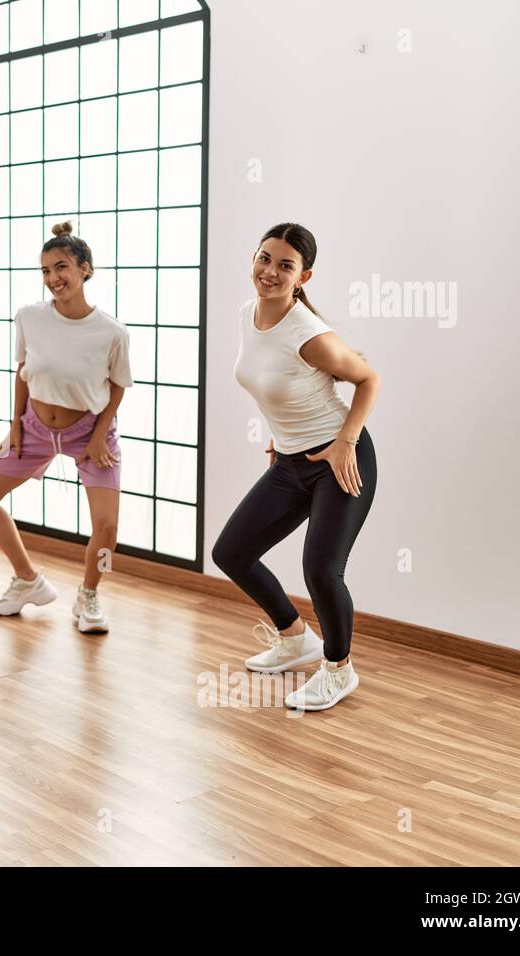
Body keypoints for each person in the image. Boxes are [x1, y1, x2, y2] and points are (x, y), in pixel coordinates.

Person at [211, 223, 381, 711]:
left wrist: (346, 442)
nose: (270, 271)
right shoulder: (248, 315)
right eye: (264, 258)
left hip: (339, 461)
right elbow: (275, 382)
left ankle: (338, 669)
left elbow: (368, 379)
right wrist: (279, 435)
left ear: (303, 276)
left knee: (322, 571)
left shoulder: (309, 333)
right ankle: (294, 637)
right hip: (291, 462)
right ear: (254, 258)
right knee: (232, 553)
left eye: (285, 265)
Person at [0, 221, 131, 633]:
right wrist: (15, 426)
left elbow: (118, 386)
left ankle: (90, 595)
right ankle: (27, 579)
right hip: (35, 428)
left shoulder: (111, 332)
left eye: (61, 267)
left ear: (85, 269)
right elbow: (22, 371)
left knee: (108, 526)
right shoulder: (29, 317)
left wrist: (99, 437)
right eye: (45, 270)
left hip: (90, 433)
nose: (52, 278)